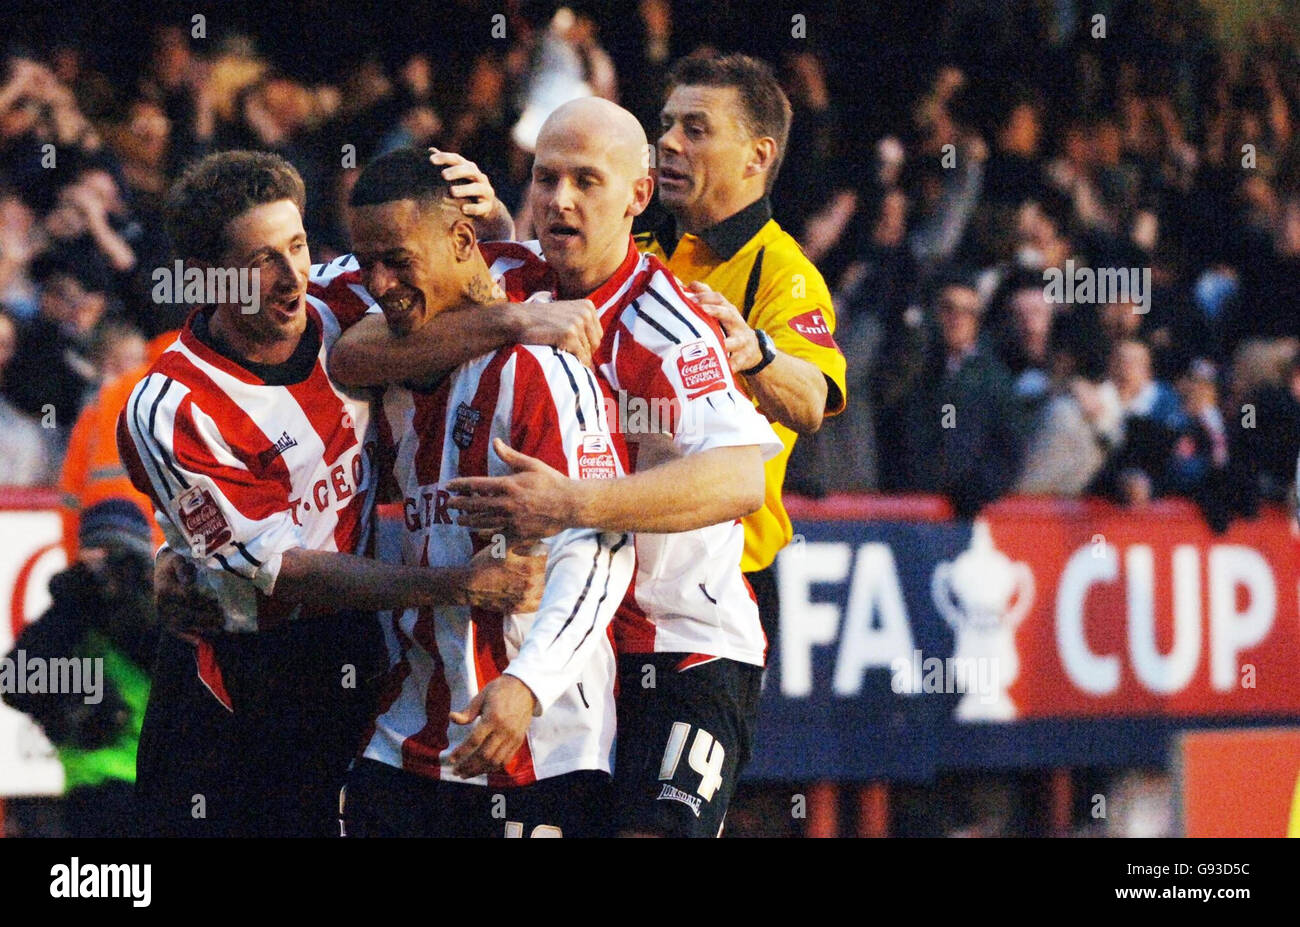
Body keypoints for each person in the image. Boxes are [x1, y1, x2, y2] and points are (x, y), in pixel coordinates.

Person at [332, 99, 783, 837]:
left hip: (677, 640)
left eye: (586, 181)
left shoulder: (664, 324)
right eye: (545, 179)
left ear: (638, 197)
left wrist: (573, 501)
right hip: (568, 641)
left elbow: (741, 480)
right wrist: (510, 314)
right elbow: (355, 351)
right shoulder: (509, 277)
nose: (560, 200)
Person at [115, 150, 543, 837]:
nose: (291, 279)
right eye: (261, 261)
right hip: (235, 670)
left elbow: (457, 283)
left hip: (356, 646)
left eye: (298, 245)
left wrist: (491, 224)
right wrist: (454, 581)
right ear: (204, 277)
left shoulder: (346, 295)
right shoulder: (172, 406)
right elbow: (288, 570)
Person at [324, 148, 635, 837]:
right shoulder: (384, 367)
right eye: (365, 262)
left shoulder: (541, 366)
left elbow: (605, 545)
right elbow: (340, 350)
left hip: (538, 747)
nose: (379, 283)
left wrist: (528, 683)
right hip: (402, 742)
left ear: (464, 240)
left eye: (397, 260)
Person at [632, 53, 848, 642]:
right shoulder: (633, 244)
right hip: (618, 567)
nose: (668, 143)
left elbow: (810, 402)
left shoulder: (783, 272)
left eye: (695, 129)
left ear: (758, 156)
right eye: (667, 124)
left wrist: (755, 352)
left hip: (724, 583)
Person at [1, 499, 157, 838]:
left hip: (152, 789)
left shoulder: (154, 617)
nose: (100, 568)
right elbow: (14, 679)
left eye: (112, 555)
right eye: (93, 553)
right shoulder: (72, 613)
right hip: (91, 791)